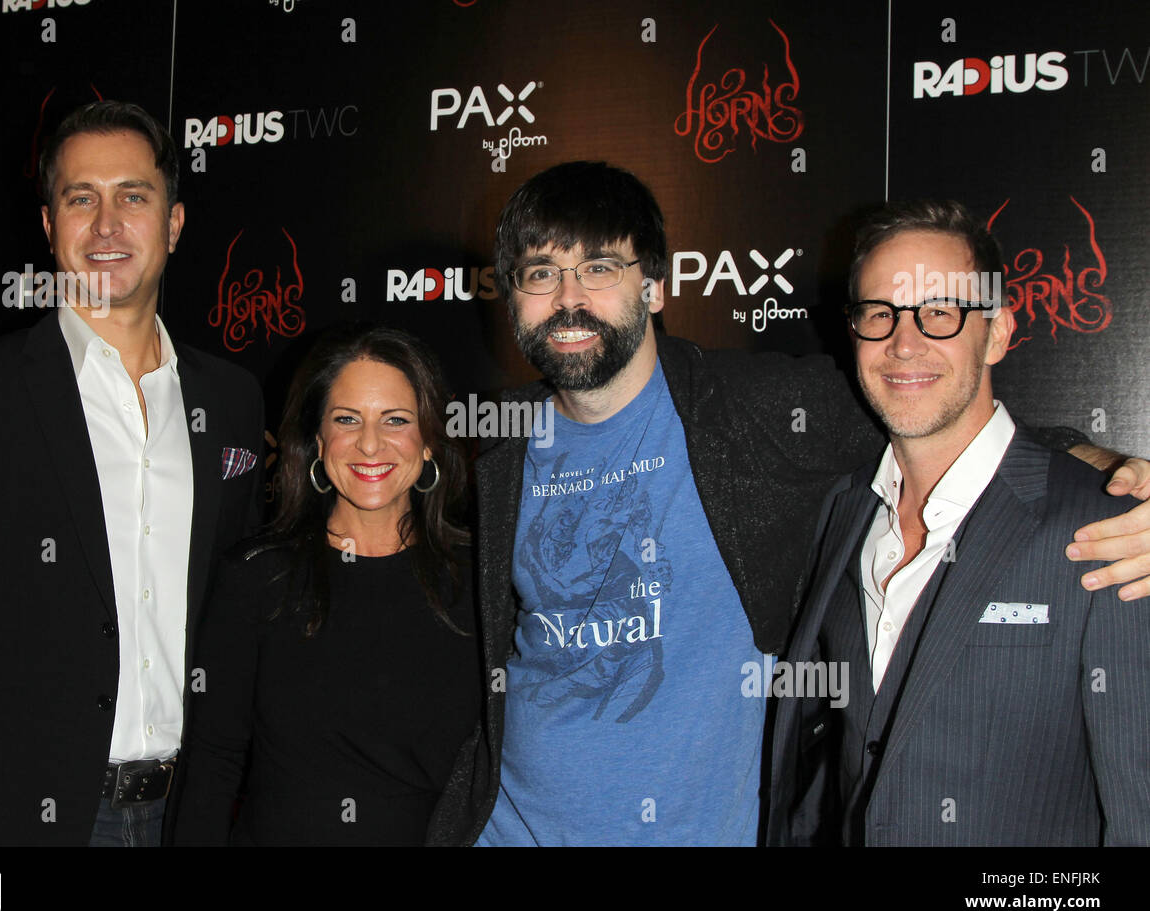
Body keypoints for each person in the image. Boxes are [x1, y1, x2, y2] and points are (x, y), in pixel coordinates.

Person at [427, 161, 1150, 846]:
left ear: (655, 287)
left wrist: (1110, 473)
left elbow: (928, 402)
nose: (569, 299)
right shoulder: (502, 440)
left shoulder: (758, 410)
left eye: (600, 269)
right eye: (540, 274)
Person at [0, 101, 264, 846]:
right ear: (49, 227)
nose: (107, 225)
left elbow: (235, 630)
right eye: (81, 198)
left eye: (133, 197)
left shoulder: (231, 403)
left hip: (181, 817)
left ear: (173, 224)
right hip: (10, 820)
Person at [765, 200, 1150, 845]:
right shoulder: (845, 508)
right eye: (879, 313)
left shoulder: (1108, 527)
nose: (904, 342)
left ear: (997, 331)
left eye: (940, 312)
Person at [169, 324, 481, 845]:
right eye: (347, 419)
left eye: (396, 420)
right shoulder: (255, 577)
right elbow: (212, 762)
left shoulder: (478, 579)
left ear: (428, 442)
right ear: (318, 441)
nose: (370, 443)